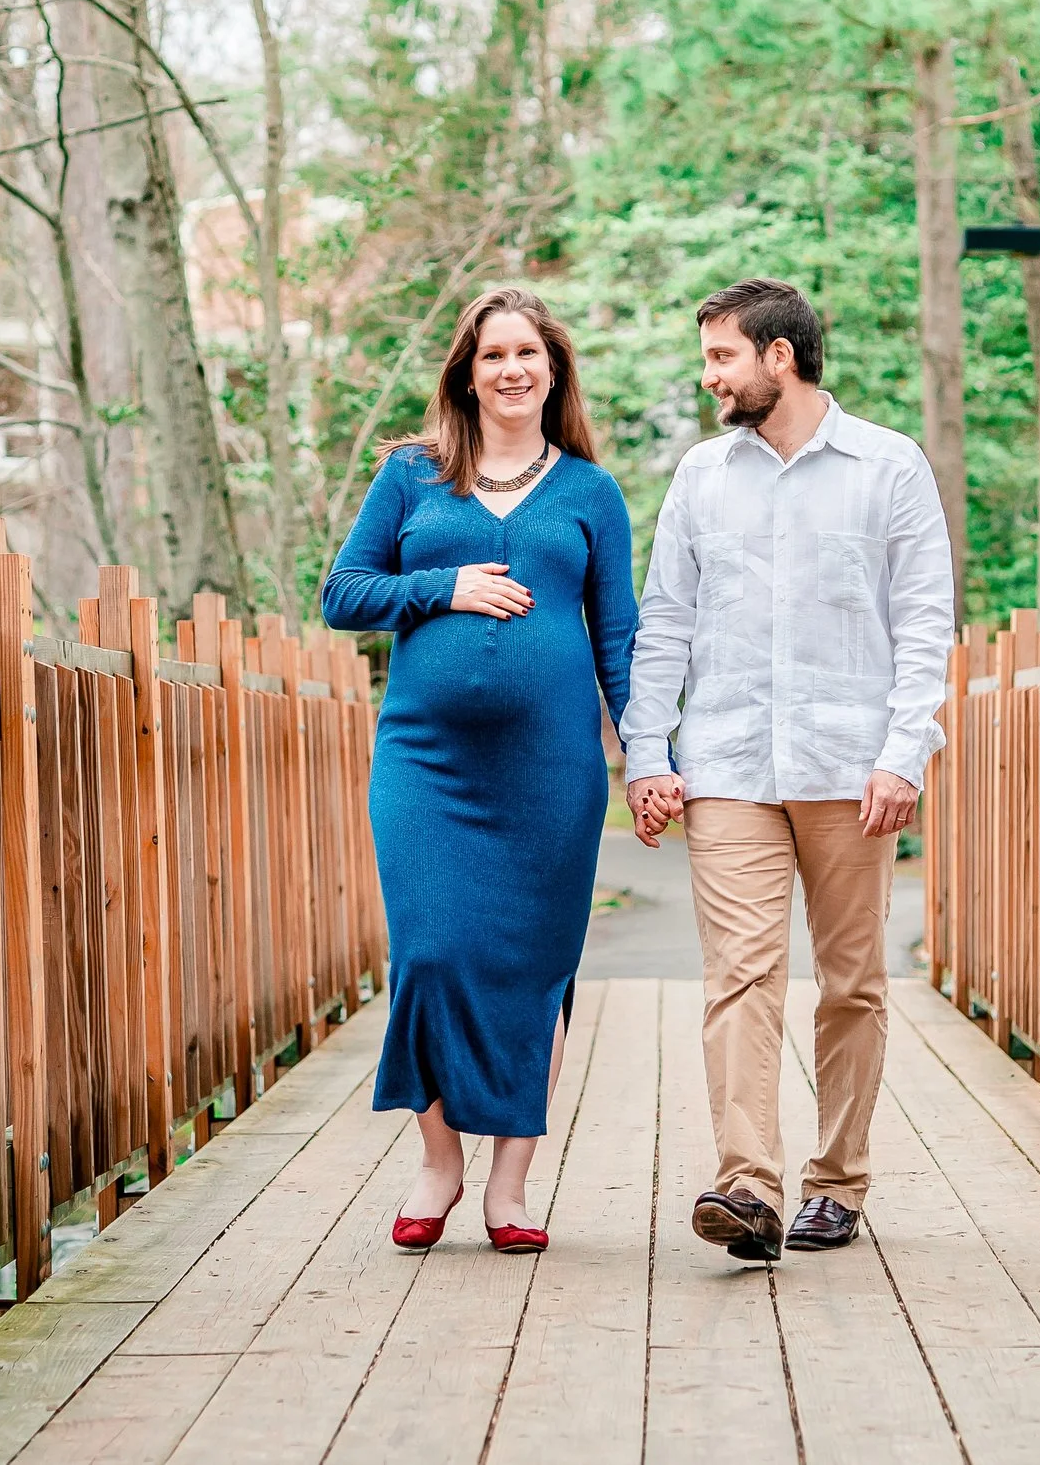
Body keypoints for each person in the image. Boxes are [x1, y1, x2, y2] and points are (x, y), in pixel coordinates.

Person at [621, 277, 955, 1263]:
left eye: (721, 355)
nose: (708, 375)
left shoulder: (888, 467)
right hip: (725, 763)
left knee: (851, 980)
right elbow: (666, 620)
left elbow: (924, 617)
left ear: (780, 355)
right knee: (741, 974)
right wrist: (649, 752)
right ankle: (747, 1185)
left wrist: (905, 750)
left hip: (851, 768)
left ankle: (837, 1182)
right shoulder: (700, 474)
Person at [321, 286, 638, 1255]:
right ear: (466, 369)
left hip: (550, 772)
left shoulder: (588, 490)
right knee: (430, 953)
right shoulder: (411, 475)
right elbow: (342, 592)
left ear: (553, 370)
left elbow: (618, 637)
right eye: (492, 353)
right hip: (427, 761)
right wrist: (443, 586)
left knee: (532, 972)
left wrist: (652, 761)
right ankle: (437, 1158)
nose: (511, 369)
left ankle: (508, 1182)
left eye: (528, 354)